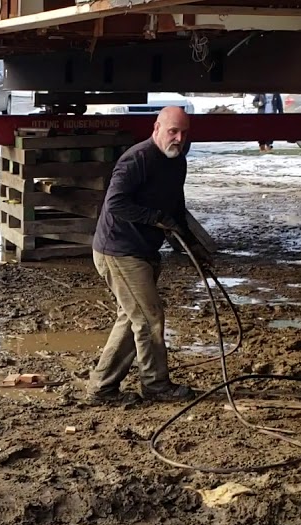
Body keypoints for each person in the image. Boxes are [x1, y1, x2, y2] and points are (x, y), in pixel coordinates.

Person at [81, 106, 209, 406]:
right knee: (150, 318)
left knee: (132, 318)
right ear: (157, 128)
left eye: (184, 133)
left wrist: (193, 247)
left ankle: (102, 387)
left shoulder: (177, 162)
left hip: (143, 250)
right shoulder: (136, 159)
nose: (179, 139)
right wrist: (155, 218)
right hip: (119, 250)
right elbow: (115, 203)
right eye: (173, 131)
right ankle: (156, 385)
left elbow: (176, 208)